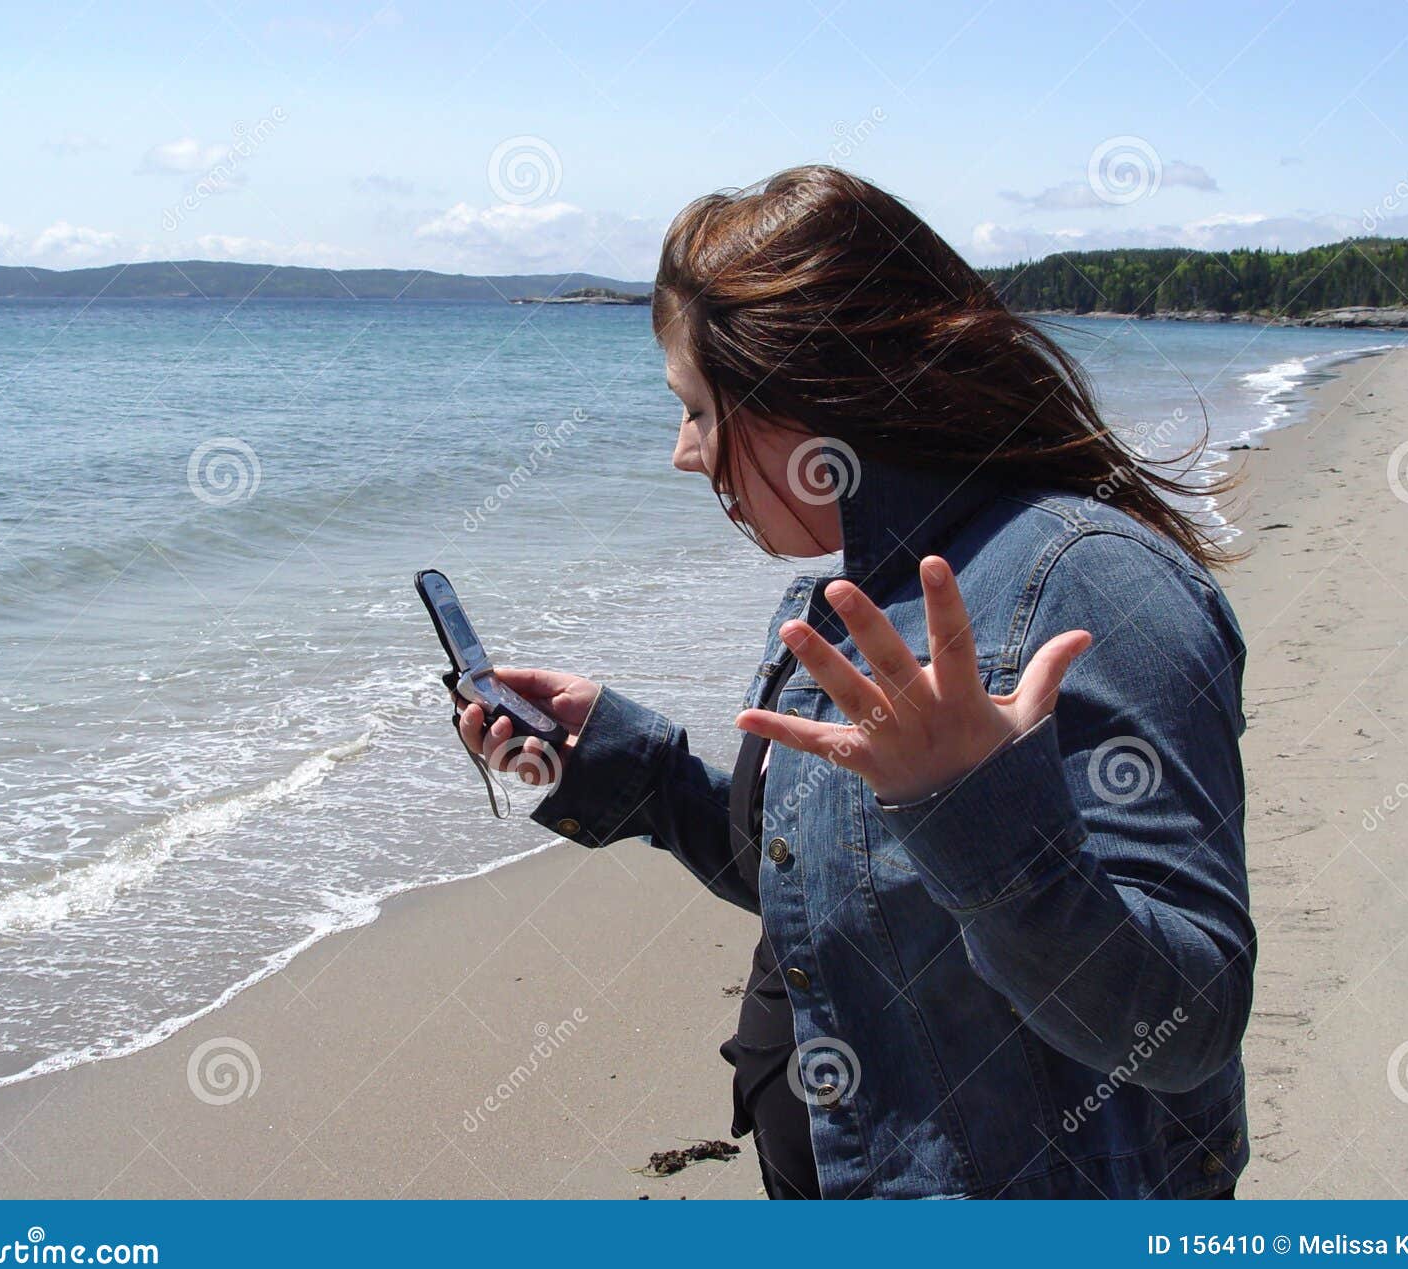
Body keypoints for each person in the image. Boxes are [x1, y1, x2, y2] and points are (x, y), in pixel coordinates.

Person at [455, 165, 1254, 1200]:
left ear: (806, 395)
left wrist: (971, 809)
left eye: (699, 410)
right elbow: (840, 891)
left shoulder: (1090, 582)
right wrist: (626, 768)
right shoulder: (853, 600)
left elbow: (1184, 1021)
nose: (682, 454)